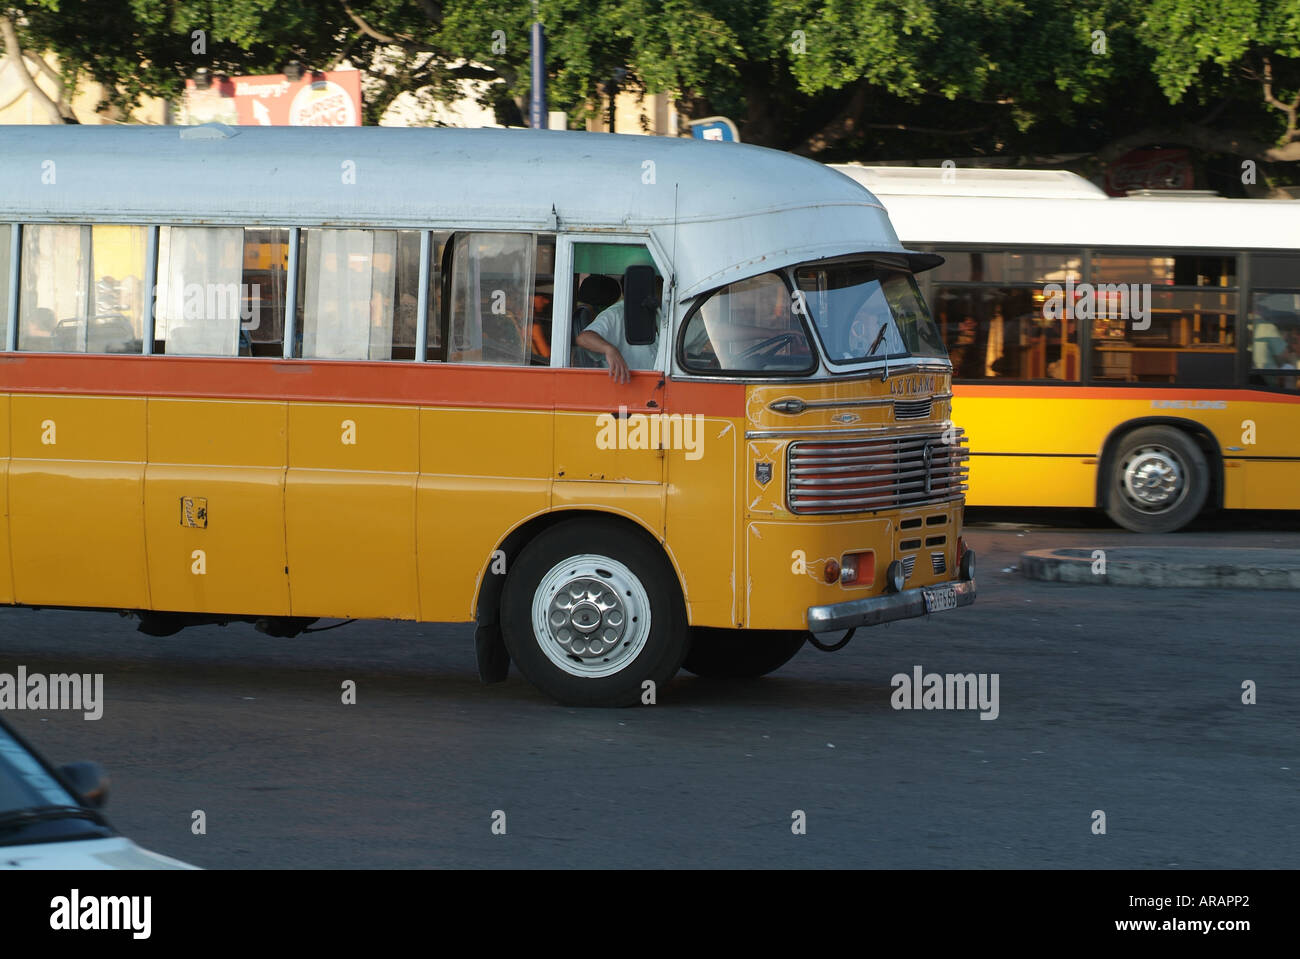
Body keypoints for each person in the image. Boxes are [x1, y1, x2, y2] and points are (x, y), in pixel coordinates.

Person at [575, 274, 664, 384]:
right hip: (627, 387)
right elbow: (584, 338)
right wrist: (610, 350)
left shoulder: (659, 313)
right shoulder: (617, 314)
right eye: (659, 287)